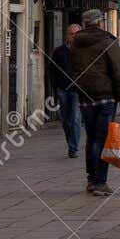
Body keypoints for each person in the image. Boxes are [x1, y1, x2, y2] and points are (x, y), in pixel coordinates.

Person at [67, 9, 120, 196]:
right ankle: (100, 182)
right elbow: (119, 73)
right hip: (106, 97)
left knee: (92, 138)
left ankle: (91, 179)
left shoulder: (75, 44)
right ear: (100, 23)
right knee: (103, 139)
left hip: (86, 97)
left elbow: (74, 69)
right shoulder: (107, 42)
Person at [48, 24, 82, 158]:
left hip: (77, 90)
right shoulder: (59, 51)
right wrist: (55, 85)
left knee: (75, 118)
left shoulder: (84, 51)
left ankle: (73, 148)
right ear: (67, 35)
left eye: (77, 34)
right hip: (62, 89)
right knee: (66, 120)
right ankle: (70, 143)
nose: (74, 37)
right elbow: (52, 69)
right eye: (72, 34)